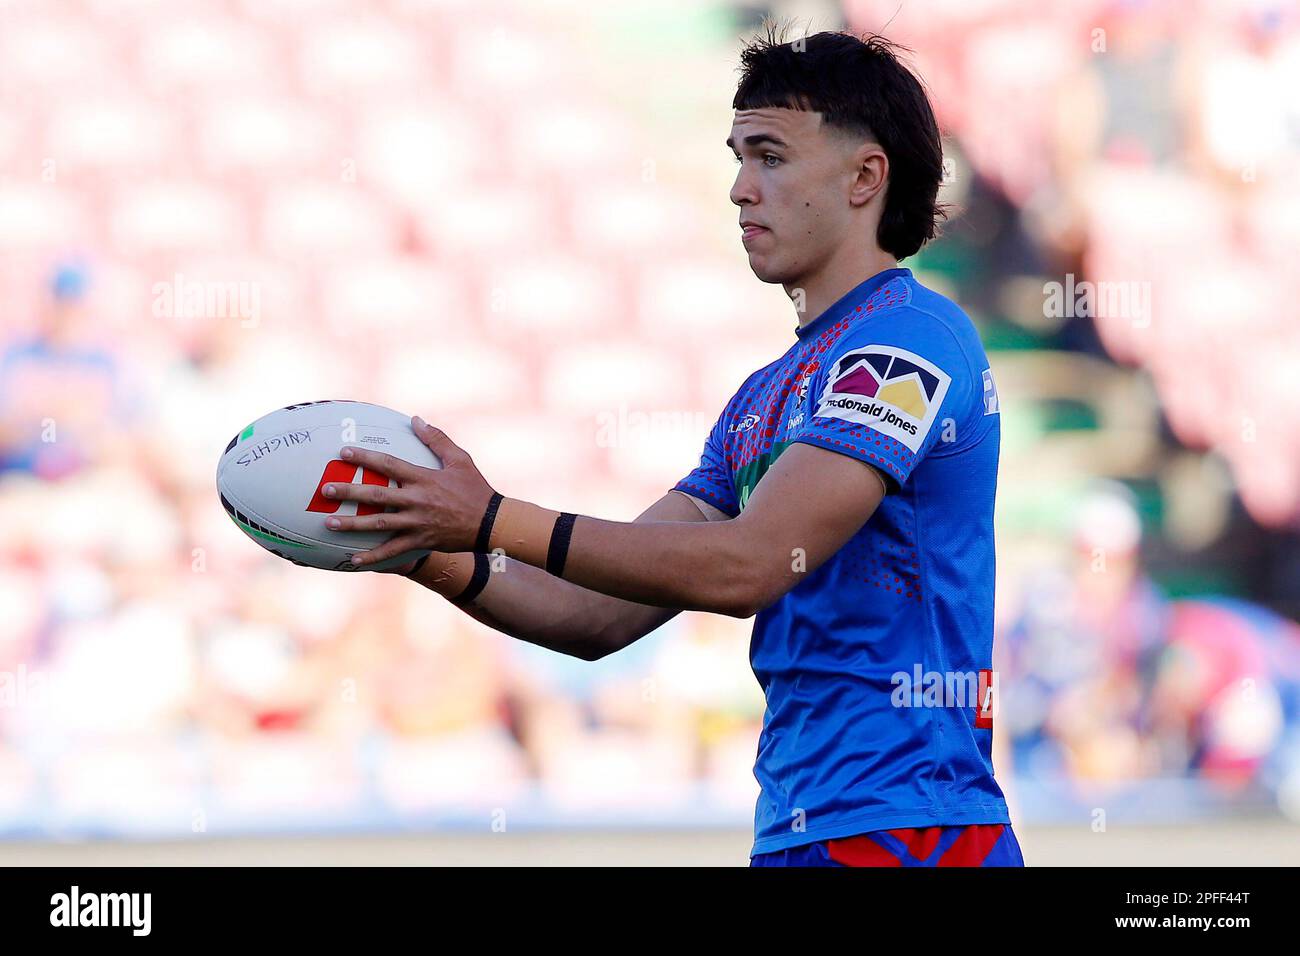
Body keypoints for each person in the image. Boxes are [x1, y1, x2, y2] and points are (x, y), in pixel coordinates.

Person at [321, 28, 1021, 866]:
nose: (738, 189)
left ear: (866, 176)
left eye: (768, 156)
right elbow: (594, 615)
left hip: (912, 828)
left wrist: (493, 517)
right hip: (807, 828)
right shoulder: (763, 396)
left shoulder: (906, 343)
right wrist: (424, 543)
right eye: (737, 157)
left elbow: (750, 565)